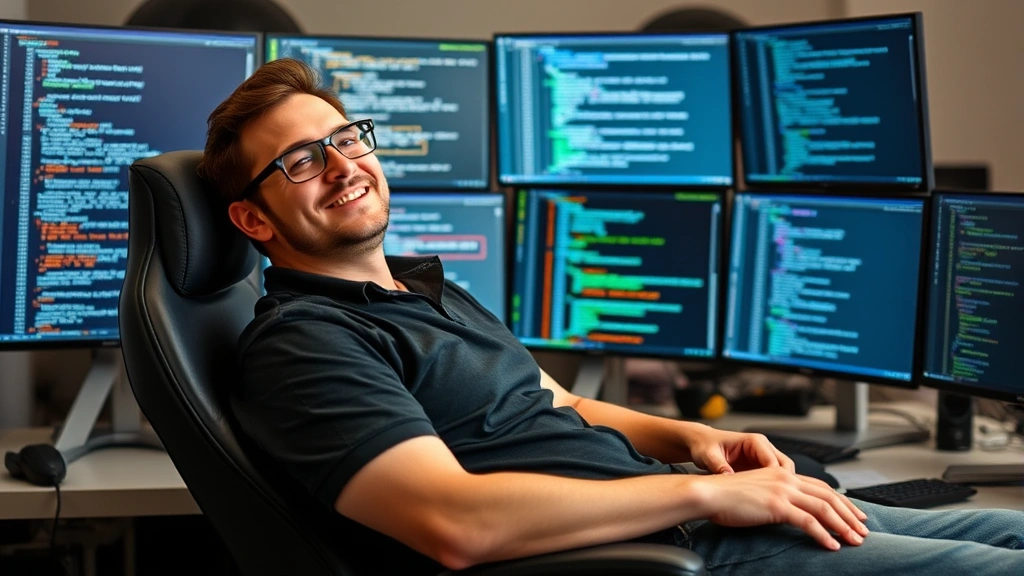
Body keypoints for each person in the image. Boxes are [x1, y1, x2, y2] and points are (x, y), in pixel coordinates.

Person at [197, 58, 1024, 576]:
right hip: (667, 547)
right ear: (253, 221)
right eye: (301, 161)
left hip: (688, 508)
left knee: (1009, 529)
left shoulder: (419, 289)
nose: (344, 166)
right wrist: (702, 499)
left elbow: (559, 404)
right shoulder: (306, 343)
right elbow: (455, 524)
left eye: (347, 138)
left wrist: (691, 441)